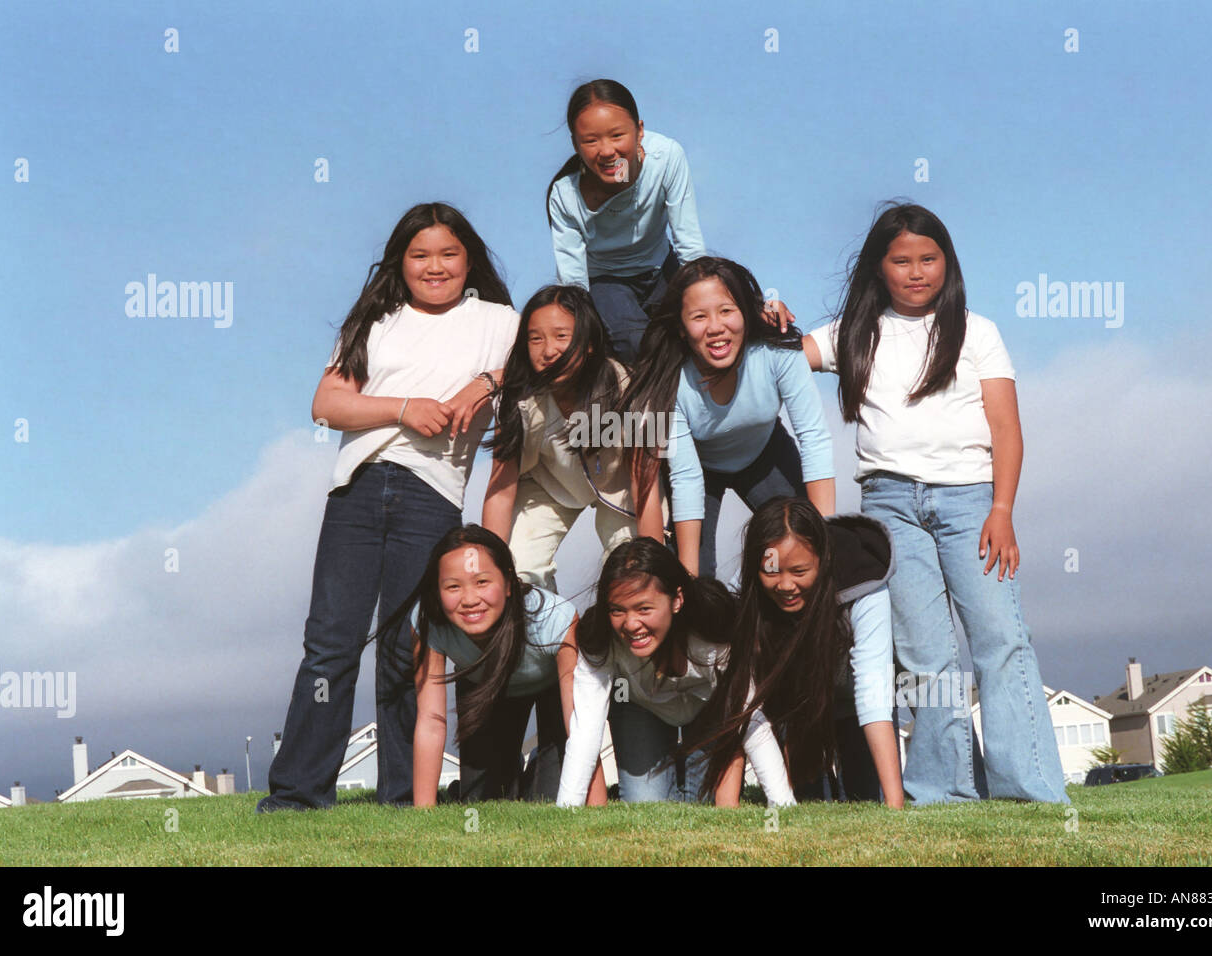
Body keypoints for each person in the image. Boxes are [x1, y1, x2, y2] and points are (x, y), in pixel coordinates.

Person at [802, 202, 1068, 804]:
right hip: (888, 505)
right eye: (901, 261)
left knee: (1000, 638)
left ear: (947, 262)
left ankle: (1027, 788)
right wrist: (770, 318)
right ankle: (945, 792)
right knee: (925, 654)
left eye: (929, 259)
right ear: (879, 268)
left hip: (973, 501)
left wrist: (1002, 510)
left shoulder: (978, 331)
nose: (917, 271)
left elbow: (1007, 430)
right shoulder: (850, 331)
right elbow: (781, 358)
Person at [257, 203, 518, 812]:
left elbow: (544, 363)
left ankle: (401, 796)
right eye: (419, 255)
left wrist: (482, 385)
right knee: (329, 642)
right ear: (399, 262)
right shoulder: (375, 321)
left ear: (469, 258)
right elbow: (327, 404)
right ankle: (297, 794)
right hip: (358, 488)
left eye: (448, 254)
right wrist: (403, 407)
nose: (434, 267)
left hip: (433, 494)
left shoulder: (499, 320)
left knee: (408, 646)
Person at [623, 256, 835, 579]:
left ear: (746, 314)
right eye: (699, 317)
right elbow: (687, 478)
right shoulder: (672, 384)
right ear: (681, 328)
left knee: (804, 549)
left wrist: (826, 538)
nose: (716, 327)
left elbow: (814, 437)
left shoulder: (778, 349)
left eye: (726, 311)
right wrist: (689, 581)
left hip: (765, 453)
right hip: (702, 470)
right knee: (693, 574)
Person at [692, 499, 904, 806]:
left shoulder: (865, 586)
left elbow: (873, 691)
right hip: (794, 708)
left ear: (823, 559)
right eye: (772, 572)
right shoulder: (748, 595)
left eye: (800, 570)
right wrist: (728, 807)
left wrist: (894, 804)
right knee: (806, 800)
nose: (786, 585)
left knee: (865, 797)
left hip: (853, 703)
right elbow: (741, 700)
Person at [557, 537, 794, 806]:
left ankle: (714, 762)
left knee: (701, 807)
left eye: (644, 608)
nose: (631, 624)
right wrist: (568, 811)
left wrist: (782, 805)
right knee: (646, 809)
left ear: (677, 600)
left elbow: (751, 718)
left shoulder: (713, 628)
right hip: (640, 708)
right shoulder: (601, 637)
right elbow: (585, 731)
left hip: (709, 709)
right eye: (617, 610)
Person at [379, 526, 580, 804]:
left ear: (509, 583)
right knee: (483, 804)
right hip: (485, 690)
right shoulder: (428, 622)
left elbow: (579, 723)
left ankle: (537, 764)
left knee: (554, 801)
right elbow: (431, 720)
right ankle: (499, 776)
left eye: (482, 582)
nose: (470, 599)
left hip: (554, 691)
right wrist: (423, 814)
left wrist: (595, 810)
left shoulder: (555, 618)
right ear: (437, 591)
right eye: (453, 586)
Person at [482, 285, 637, 592]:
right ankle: (550, 634)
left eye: (561, 336)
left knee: (632, 571)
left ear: (589, 342)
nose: (548, 349)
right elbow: (500, 489)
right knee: (515, 570)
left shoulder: (623, 386)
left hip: (620, 488)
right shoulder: (518, 397)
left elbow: (644, 481)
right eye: (535, 338)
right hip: (549, 485)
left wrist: (653, 561)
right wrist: (492, 566)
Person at [545, 79, 705, 366]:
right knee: (636, 343)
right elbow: (573, 283)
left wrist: (714, 298)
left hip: (660, 267)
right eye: (591, 141)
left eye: (617, 135)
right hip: (606, 281)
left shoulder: (666, 157)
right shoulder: (564, 196)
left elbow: (689, 245)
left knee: (700, 327)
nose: (607, 151)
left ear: (639, 131)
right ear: (575, 144)